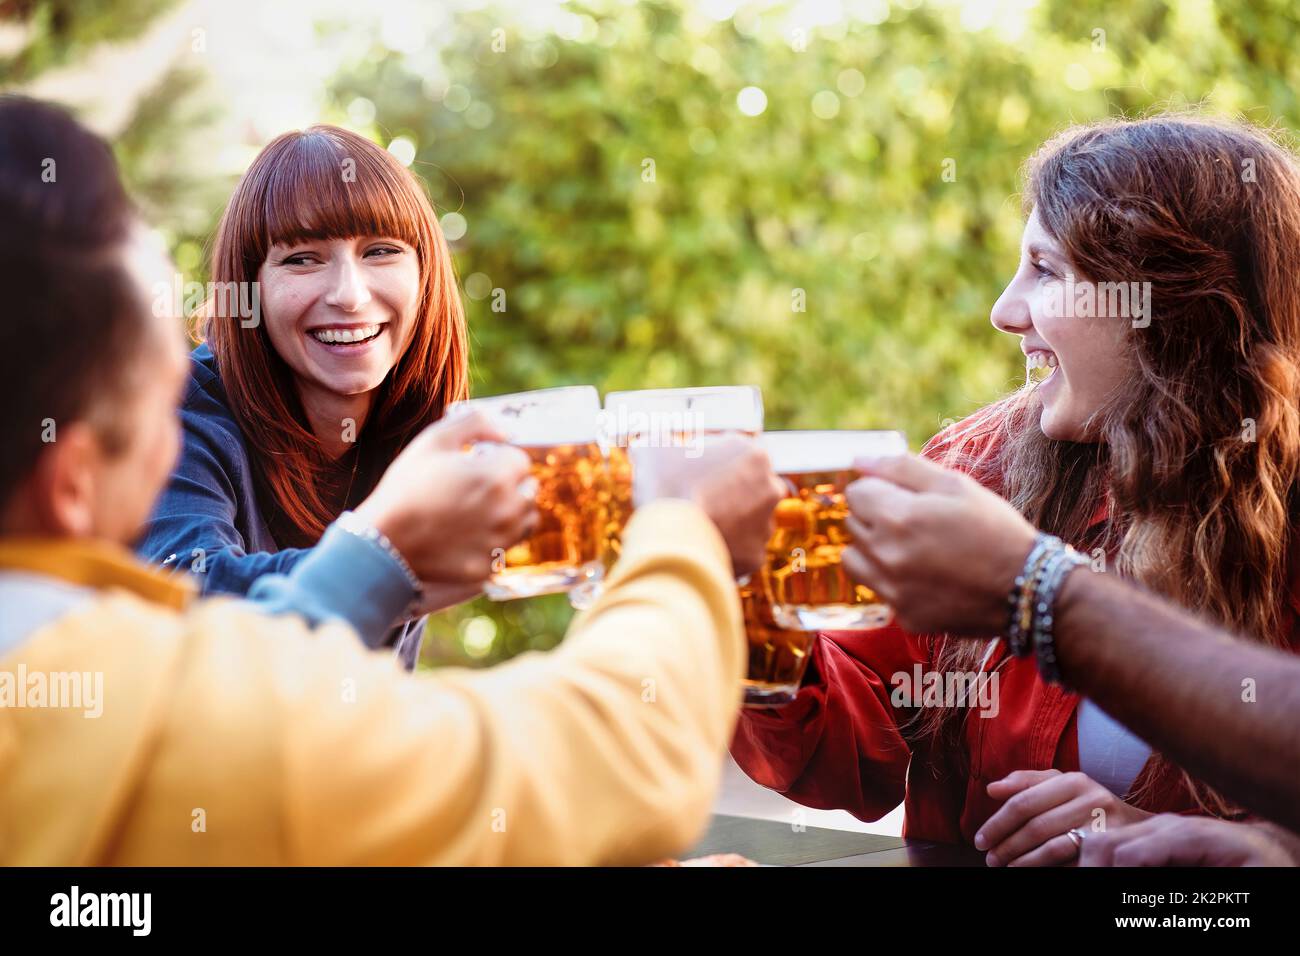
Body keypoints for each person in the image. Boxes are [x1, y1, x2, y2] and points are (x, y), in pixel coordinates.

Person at [0, 95, 784, 865]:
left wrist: (383, 557)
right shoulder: (182, 725)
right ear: (71, 481)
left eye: (381, 250)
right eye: (160, 397)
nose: (348, 294)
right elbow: (612, 762)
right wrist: (686, 529)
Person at [731, 114, 1300, 864]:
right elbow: (856, 752)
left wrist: (1235, 844)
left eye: (1046, 270)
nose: (1004, 310)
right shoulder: (981, 466)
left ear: (1166, 304)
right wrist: (747, 606)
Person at [839, 451, 1300, 866]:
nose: (1020, 349)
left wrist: (1275, 847)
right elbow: (847, 751)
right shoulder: (979, 459)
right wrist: (768, 611)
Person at [137, 123, 479, 665]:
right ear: (250, 287)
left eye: (382, 251)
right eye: (302, 259)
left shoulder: (413, 428)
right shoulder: (179, 411)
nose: (349, 295)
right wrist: (387, 566)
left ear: (425, 275)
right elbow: (182, 594)